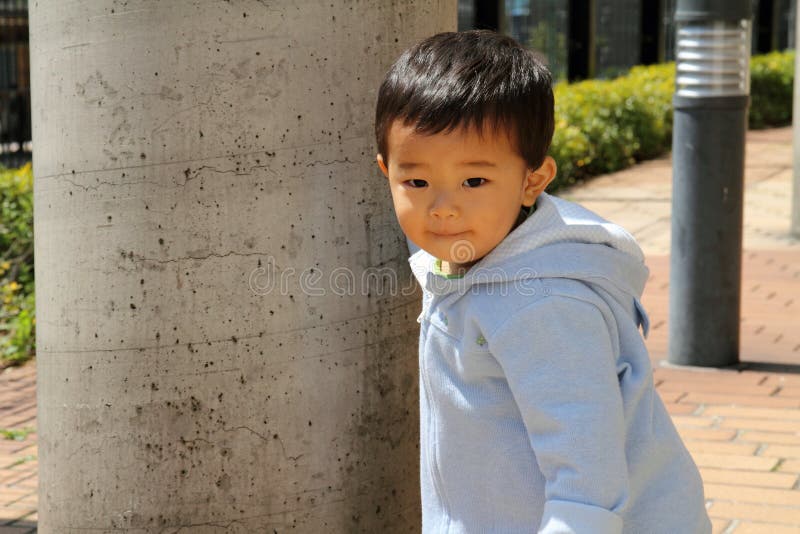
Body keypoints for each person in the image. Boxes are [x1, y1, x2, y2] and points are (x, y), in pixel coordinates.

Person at [373, 30, 711, 534]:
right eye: (416, 182)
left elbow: (586, 480)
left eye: (473, 181)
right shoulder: (469, 255)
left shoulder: (543, 305)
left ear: (533, 180)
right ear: (387, 173)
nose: (442, 208)